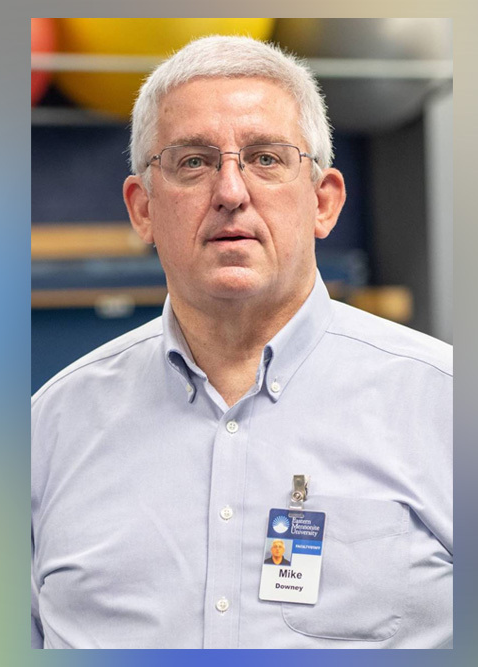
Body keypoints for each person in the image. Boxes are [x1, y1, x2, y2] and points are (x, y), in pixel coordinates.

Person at [30, 36, 453, 649]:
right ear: (142, 208)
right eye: (194, 162)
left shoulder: (450, 407)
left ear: (324, 201)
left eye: (266, 158)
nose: (231, 191)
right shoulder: (47, 433)